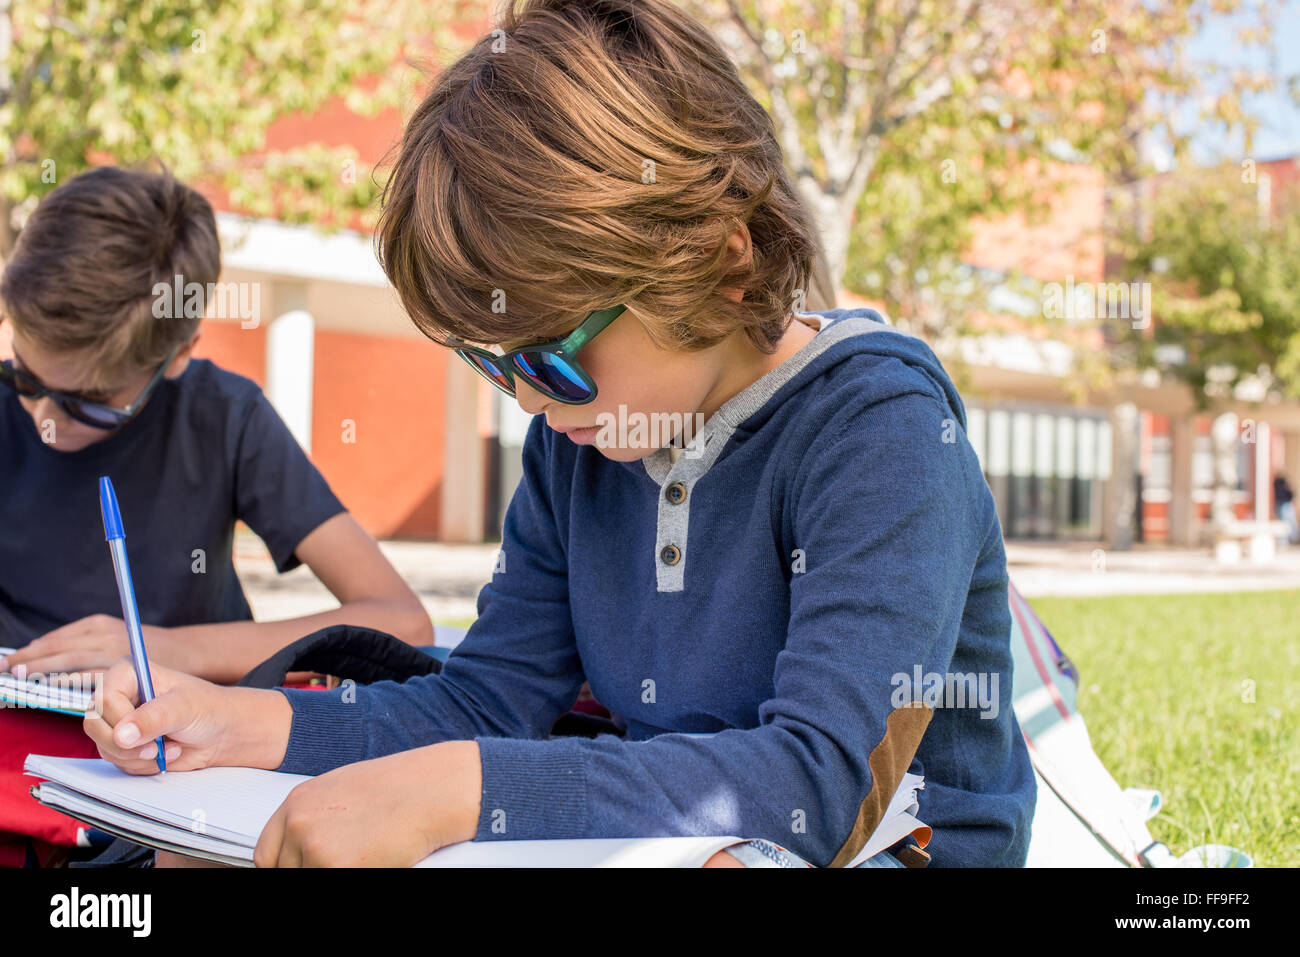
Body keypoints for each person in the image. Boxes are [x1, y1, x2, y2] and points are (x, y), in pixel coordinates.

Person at [87, 0, 1036, 869]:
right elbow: (483, 701)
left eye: (550, 355)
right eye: (493, 362)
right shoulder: (582, 440)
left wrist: (468, 789)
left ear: (721, 263)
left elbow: (815, 781)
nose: (530, 402)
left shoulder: (880, 431)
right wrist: (239, 722)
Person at [0, 165, 433, 866]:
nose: (43, 416)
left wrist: (169, 647)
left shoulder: (223, 417)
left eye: (87, 403)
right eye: (20, 374)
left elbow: (398, 617)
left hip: (175, 775)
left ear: (181, 353)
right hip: (20, 773)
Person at [1274, 474, 1298, 545]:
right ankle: (1286, 540)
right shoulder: (1282, 486)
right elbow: (1290, 494)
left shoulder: (1279, 485)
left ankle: (1290, 539)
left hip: (1284, 505)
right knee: (1287, 523)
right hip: (1284, 505)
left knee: (1289, 523)